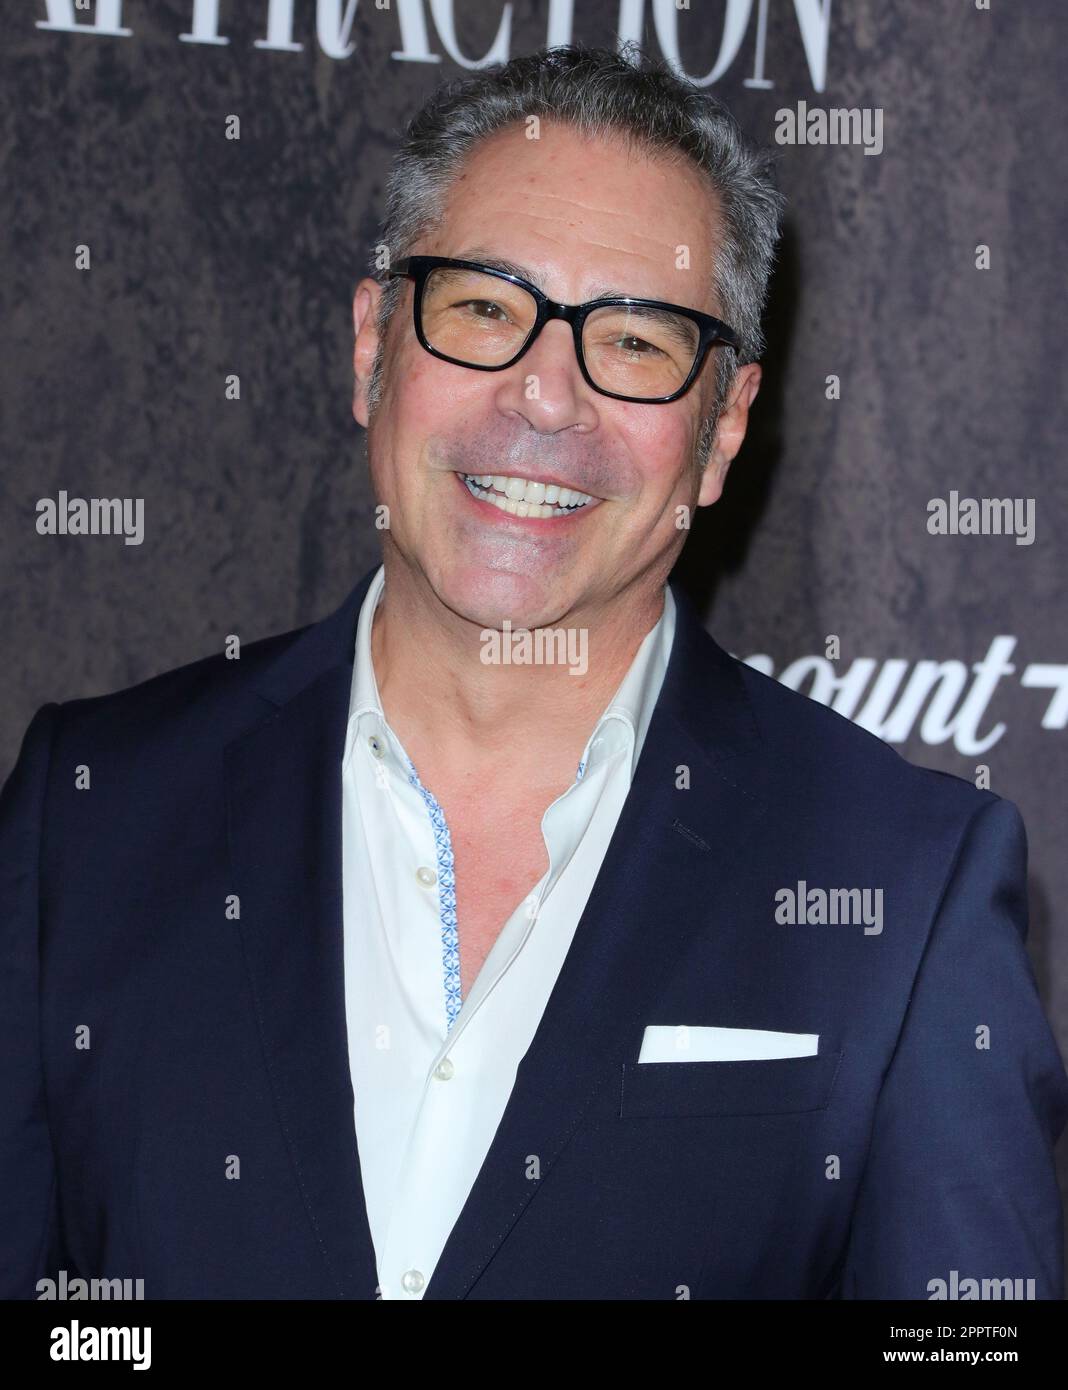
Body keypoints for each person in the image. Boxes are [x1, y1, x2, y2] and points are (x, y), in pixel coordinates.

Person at [2, 43, 1065, 1302]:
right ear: (370, 347)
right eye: (486, 307)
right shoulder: (95, 810)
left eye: (634, 338)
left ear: (721, 430)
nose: (545, 396)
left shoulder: (902, 888)